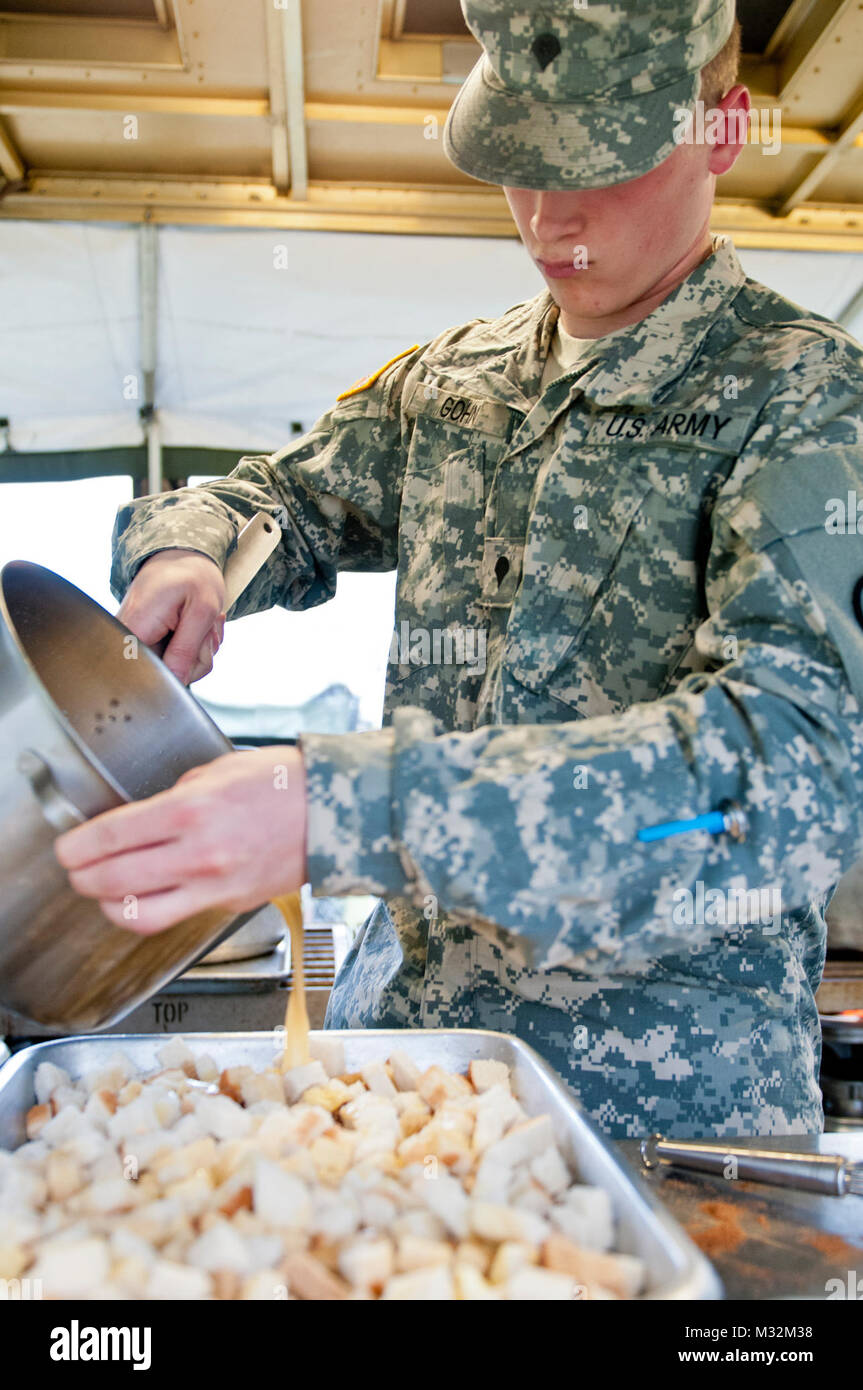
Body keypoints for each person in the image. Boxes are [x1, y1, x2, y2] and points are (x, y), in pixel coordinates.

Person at [56, 0, 863, 1139]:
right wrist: (190, 550)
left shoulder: (809, 401)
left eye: (597, 164)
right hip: (409, 1078)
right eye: (519, 163)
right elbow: (270, 497)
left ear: (721, 132)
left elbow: (782, 778)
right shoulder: (455, 383)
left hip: (672, 1128)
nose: (548, 215)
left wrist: (342, 806)